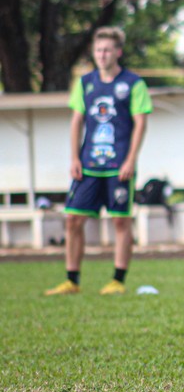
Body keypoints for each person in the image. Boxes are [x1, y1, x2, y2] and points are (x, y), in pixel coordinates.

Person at [45, 27, 152, 296]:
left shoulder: (133, 84)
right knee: (73, 220)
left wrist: (130, 159)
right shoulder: (85, 83)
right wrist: (74, 157)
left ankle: (117, 280)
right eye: (98, 50)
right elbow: (76, 121)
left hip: (119, 165)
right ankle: (72, 280)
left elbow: (140, 123)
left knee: (120, 221)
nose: (102, 55)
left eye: (107, 50)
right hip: (89, 164)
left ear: (118, 52)